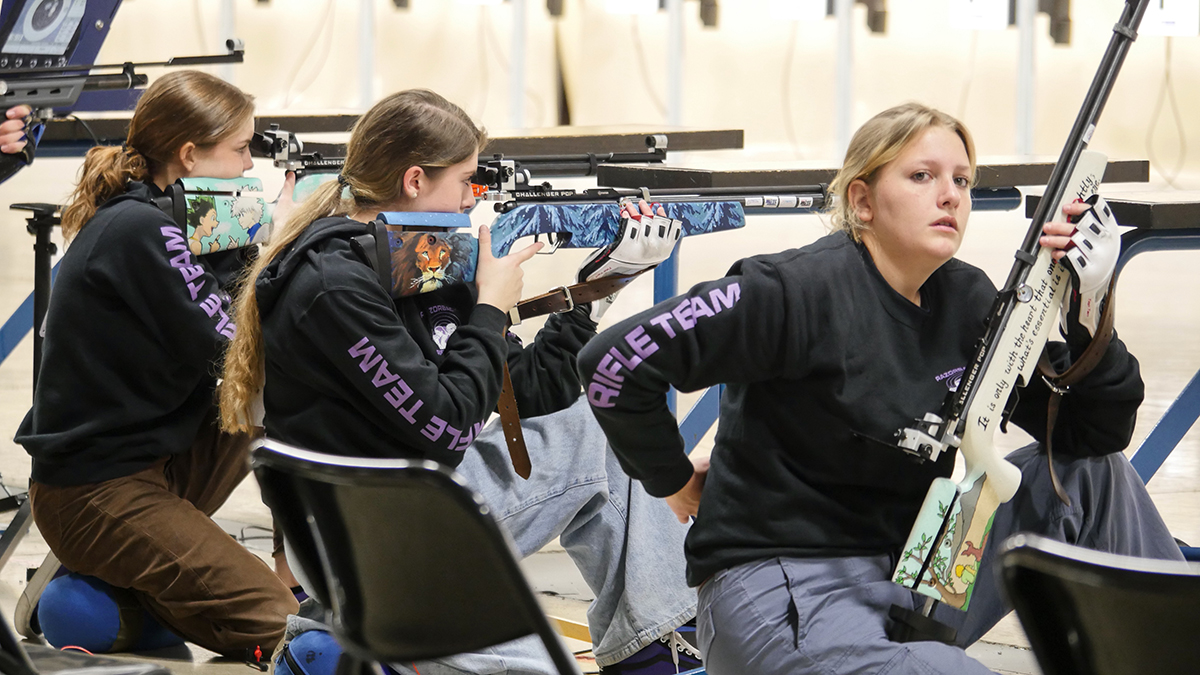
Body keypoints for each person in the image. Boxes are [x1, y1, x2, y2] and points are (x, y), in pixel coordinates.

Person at [576, 102, 1186, 675]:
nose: (950, 195)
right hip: (784, 589)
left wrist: (1088, 315)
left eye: (963, 181)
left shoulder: (968, 300)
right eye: (922, 175)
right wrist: (675, 483)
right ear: (862, 201)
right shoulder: (792, 292)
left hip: (920, 566)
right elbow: (613, 364)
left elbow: (1092, 434)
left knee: (1091, 476)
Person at [218, 88, 699, 675]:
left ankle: (658, 647)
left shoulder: (423, 264)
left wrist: (594, 293)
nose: (476, 199)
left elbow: (529, 392)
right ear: (415, 180)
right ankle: (338, 640)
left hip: (417, 500)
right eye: (468, 182)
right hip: (360, 529)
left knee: (595, 424)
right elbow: (446, 426)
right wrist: (491, 307)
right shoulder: (331, 284)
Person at [13, 70, 298, 659]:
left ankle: (280, 566)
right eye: (242, 149)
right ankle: (117, 575)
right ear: (190, 155)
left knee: (287, 403)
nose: (251, 168)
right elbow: (232, 344)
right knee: (289, 630)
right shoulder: (142, 226)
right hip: (96, 490)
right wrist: (276, 254)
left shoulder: (160, 217)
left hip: (156, 461)